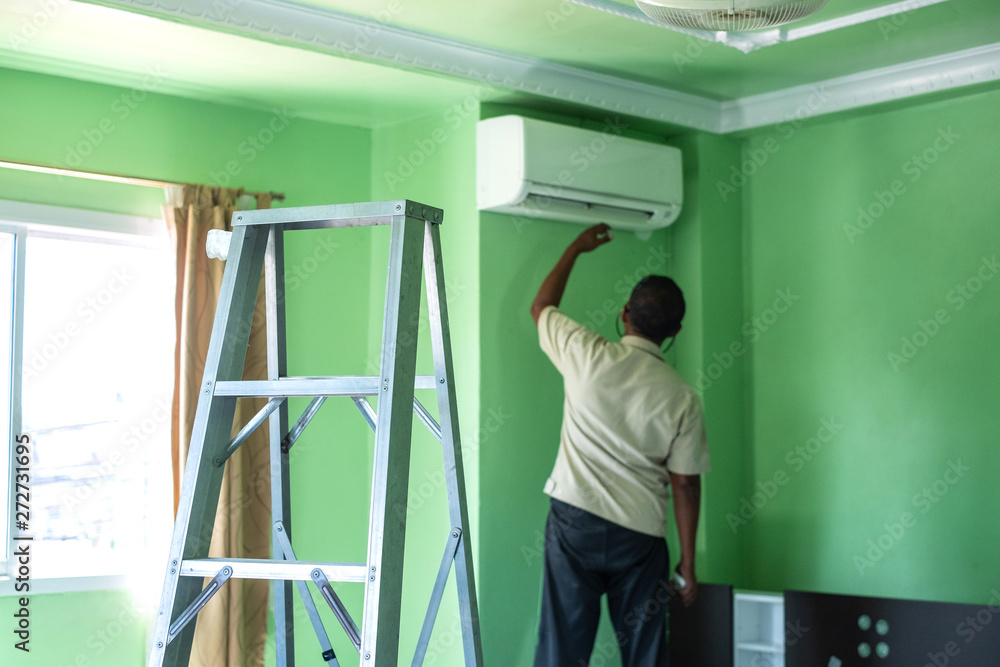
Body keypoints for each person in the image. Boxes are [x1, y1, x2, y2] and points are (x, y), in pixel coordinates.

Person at [530, 223, 710, 667]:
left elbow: (541, 307)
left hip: (575, 523)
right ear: (675, 331)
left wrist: (575, 248)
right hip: (640, 536)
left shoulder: (586, 354)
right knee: (646, 654)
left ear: (626, 312)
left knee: (562, 650)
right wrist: (687, 563)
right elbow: (685, 484)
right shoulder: (683, 396)